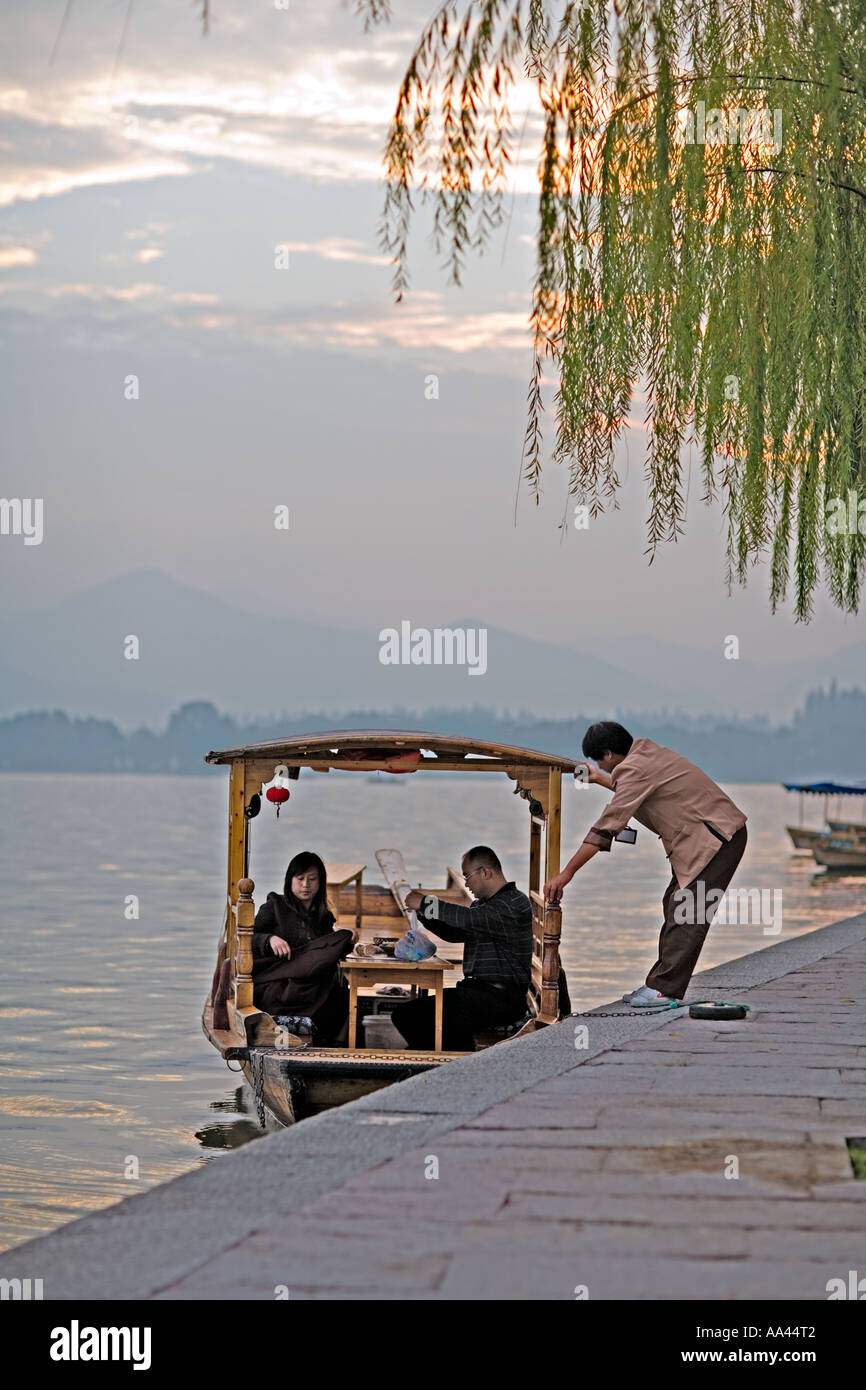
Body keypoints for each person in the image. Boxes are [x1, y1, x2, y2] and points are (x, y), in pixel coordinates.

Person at [544, 722, 748, 1008]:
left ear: (609, 754)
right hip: (710, 838)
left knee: (687, 911)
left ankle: (664, 990)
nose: (600, 765)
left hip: (717, 839)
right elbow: (630, 784)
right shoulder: (644, 753)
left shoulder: (634, 768)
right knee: (674, 903)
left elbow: (606, 827)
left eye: (598, 760)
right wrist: (599, 777)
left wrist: (566, 873)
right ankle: (659, 984)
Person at [390, 845, 532, 1052]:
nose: (466, 883)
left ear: (485, 872)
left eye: (468, 876)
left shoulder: (513, 903)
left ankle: (457, 1062)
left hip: (503, 999)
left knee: (443, 1013)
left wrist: (427, 903)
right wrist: (423, 913)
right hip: (477, 993)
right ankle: (438, 1061)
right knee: (405, 1015)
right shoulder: (483, 905)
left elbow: (468, 919)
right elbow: (456, 933)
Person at [251, 850, 354, 1044]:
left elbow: (326, 953)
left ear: (320, 882)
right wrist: (269, 939)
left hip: (312, 985)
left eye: (312, 879)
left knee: (343, 997)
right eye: (300, 878)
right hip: (279, 982)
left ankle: (329, 1048)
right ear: (290, 880)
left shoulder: (323, 918)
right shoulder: (275, 906)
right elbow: (248, 938)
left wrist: (346, 940)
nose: (306, 885)